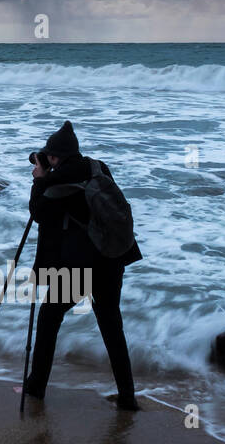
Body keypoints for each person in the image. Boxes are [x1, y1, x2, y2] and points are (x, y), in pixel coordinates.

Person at [24, 120, 141, 410]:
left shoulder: (56, 181)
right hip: (113, 259)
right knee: (111, 324)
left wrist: (39, 179)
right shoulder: (98, 167)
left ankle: (36, 386)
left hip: (79, 266)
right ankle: (127, 395)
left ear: (53, 158)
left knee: (50, 317)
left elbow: (39, 212)